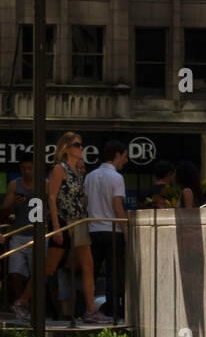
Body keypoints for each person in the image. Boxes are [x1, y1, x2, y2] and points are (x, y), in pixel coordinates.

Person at [13, 131, 109, 325]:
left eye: (81, 145)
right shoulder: (60, 168)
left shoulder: (76, 170)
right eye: (76, 145)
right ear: (66, 148)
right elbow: (51, 197)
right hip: (65, 222)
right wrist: (56, 227)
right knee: (48, 268)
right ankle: (22, 301)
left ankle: (91, 310)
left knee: (88, 266)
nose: (80, 148)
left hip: (79, 222)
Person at [85, 139, 128, 320]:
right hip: (112, 230)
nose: (125, 160)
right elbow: (117, 205)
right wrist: (126, 230)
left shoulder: (90, 176)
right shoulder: (117, 178)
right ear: (117, 154)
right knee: (113, 272)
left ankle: (87, 307)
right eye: (125, 156)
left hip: (93, 229)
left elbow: (85, 203)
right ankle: (112, 309)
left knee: (92, 271)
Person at [1, 148, 35, 305]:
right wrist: (14, 203)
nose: (26, 172)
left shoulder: (46, 185)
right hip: (19, 233)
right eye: (23, 169)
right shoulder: (14, 185)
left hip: (38, 234)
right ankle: (20, 304)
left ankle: (32, 304)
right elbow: (5, 210)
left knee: (38, 273)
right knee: (15, 273)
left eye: (30, 168)